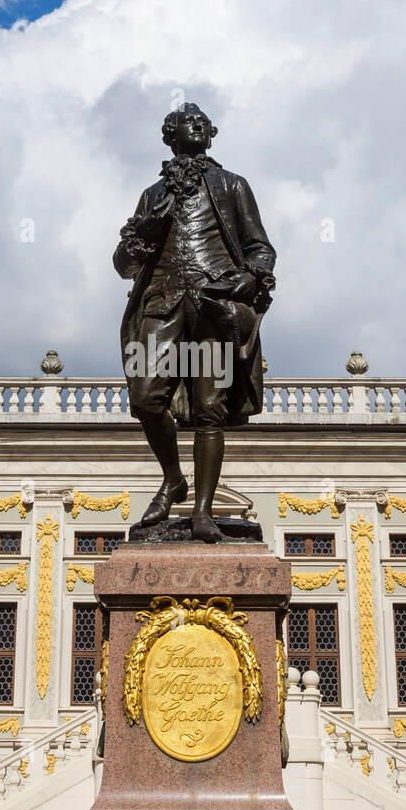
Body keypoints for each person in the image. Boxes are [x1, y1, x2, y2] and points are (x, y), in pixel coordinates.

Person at [114, 103, 276, 542]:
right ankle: (173, 478)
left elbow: (260, 248)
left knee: (210, 409)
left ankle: (202, 511)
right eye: (190, 121)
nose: (199, 125)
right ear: (171, 134)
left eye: (205, 122)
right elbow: (123, 266)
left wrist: (249, 277)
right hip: (162, 302)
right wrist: (141, 234)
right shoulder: (152, 195)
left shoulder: (233, 185)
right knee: (146, 398)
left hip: (213, 304)